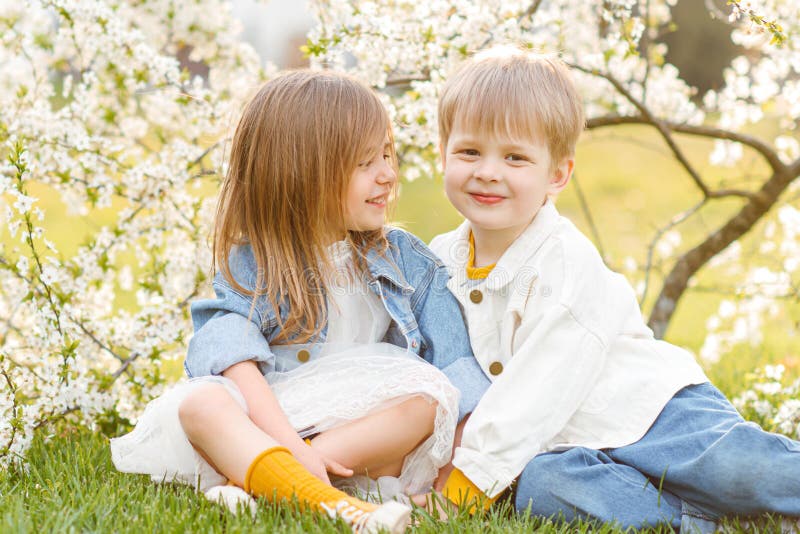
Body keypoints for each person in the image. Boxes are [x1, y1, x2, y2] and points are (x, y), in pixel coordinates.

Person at [427, 47, 800, 531]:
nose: (488, 171)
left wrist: (465, 486)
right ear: (443, 152)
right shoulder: (436, 262)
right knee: (544, 488)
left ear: (557, 174)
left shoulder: (563, 259)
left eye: (515, 157)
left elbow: (541, 382)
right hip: (567, 445)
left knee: (737, 471)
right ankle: (707, 523)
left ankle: (747, 497)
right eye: (469, 151)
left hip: (655, 415)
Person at [111, 70, 491, 534]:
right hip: (276, 425)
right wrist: (292, 446)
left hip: (365, 438)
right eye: (365, 162)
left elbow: (458, 370)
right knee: (201, 401)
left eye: (387, 155)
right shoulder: (256, 262)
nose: (389, 175)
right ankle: (329, 500)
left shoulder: (406, 260)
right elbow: (228, 350)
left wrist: (453, 482)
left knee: (432, 399)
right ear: (303, 173)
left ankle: (265, 485)